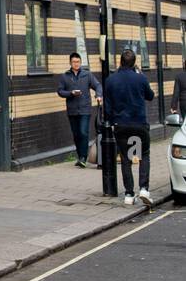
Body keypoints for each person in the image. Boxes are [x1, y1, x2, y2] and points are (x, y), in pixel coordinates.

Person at [103, 48, 156, 206]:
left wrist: (112, 122)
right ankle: (144, 189)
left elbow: (107, 106)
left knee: (126, 159)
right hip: (139, 124)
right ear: (134, 63)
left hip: (121, 125)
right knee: (142, 155)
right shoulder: (140, 78)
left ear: (120, 62)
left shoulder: (111, 80)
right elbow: (150, 96)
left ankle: (128, 194)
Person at [56, 52, 101, 167]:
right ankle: (80, 156)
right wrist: (70, 93)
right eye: (74, 62)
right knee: (76, 135)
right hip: (72, 110)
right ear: (70, 63)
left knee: (83, 132)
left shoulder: (87, 75)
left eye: (78, 62)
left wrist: (98, 95)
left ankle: (83, 157)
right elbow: (60, 91)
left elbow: (98, 85)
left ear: (80, 62)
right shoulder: (65, 76)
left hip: (85, 109)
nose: (76, 64)